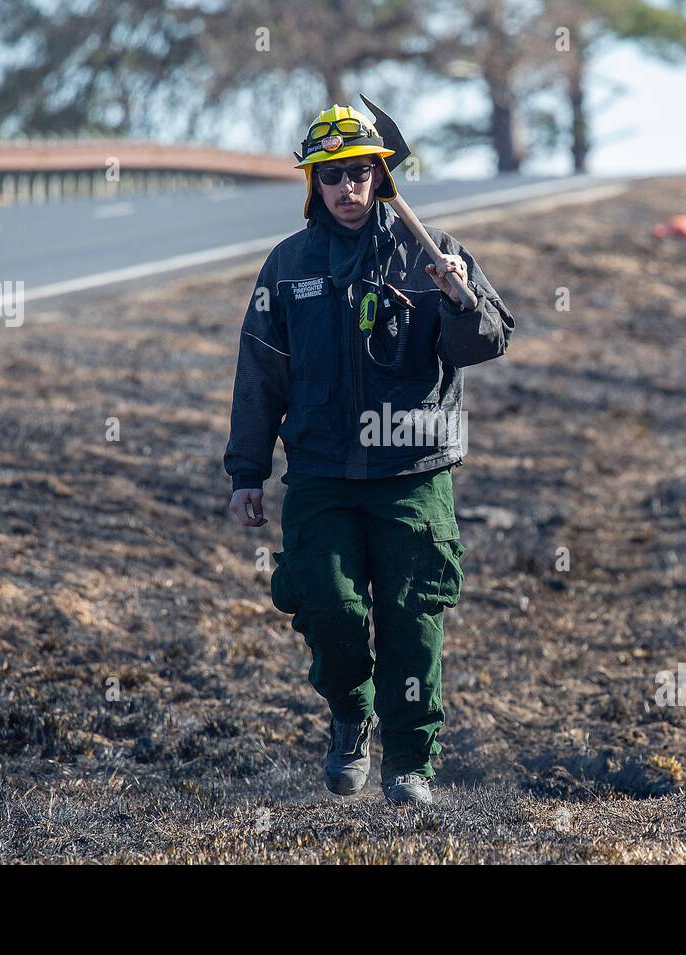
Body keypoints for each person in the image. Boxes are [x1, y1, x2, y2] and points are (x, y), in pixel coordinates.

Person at [224, 104, 515, 805]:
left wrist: (459, 297)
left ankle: (410, 762)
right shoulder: (288, 266)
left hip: (412, 473)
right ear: (314, 186)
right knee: (326, 603)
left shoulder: (431, 249)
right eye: (332, 178)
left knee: (413, 618)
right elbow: (260, 370)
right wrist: (247, 472)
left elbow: (489, 340)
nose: (347, 189)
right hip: (322, 472)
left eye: (359, 174)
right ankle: (351, 712)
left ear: (380, 176)